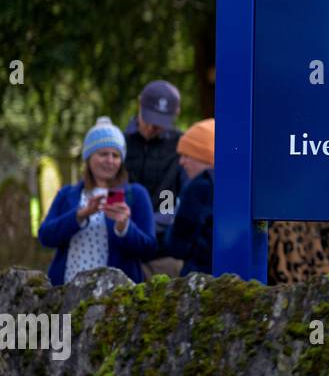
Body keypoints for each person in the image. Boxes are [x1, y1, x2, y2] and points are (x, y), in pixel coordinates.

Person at [38, 116, 156, 286]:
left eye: (115, 155)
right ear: (89, 157)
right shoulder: (68, 194)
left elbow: (148, 249)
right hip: (67, 290)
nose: (110, 161)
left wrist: (125, 227)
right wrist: (79, 215)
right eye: (103, 154)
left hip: (116, 296)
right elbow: (46, 237)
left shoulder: (135, 195)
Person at [124, 79, 186, 270]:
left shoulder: (180, 145)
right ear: (139, 104)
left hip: (164, 248)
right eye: (148, 120)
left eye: (159, 124)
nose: (152, 128)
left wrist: (165, 217)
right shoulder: (119, 142)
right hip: (125, 238)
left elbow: (186, 190)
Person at [165, 119, 214, 276]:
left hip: (199, 281)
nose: (181, 162)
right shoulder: (236, 186)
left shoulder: (198, 188)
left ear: (204, 156)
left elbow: (176, 246)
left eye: (187, 155)